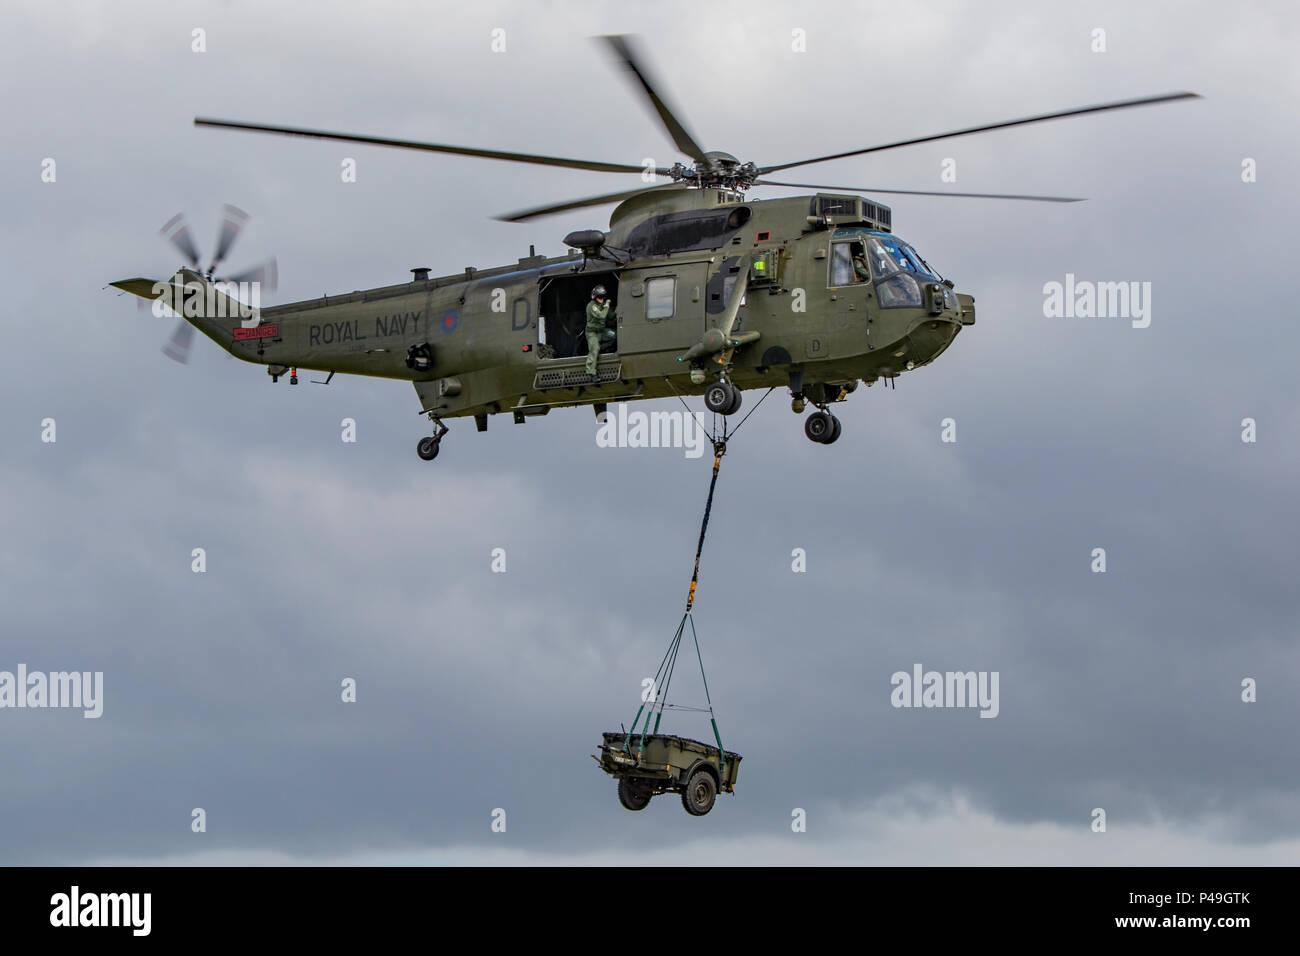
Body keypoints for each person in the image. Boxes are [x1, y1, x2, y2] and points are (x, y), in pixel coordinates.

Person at [585, 285, 616, 377]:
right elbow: (602, 316)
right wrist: (606, 306)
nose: (601, 299)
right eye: (599, 297)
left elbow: (611, 316)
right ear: (594, 297)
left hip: (601, 331)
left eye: (602, 297)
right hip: (592, 333)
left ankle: (601, 349)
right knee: (594, 350)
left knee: (614, 336)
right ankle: (591, 373)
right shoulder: (592, 306)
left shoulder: (602, 305)